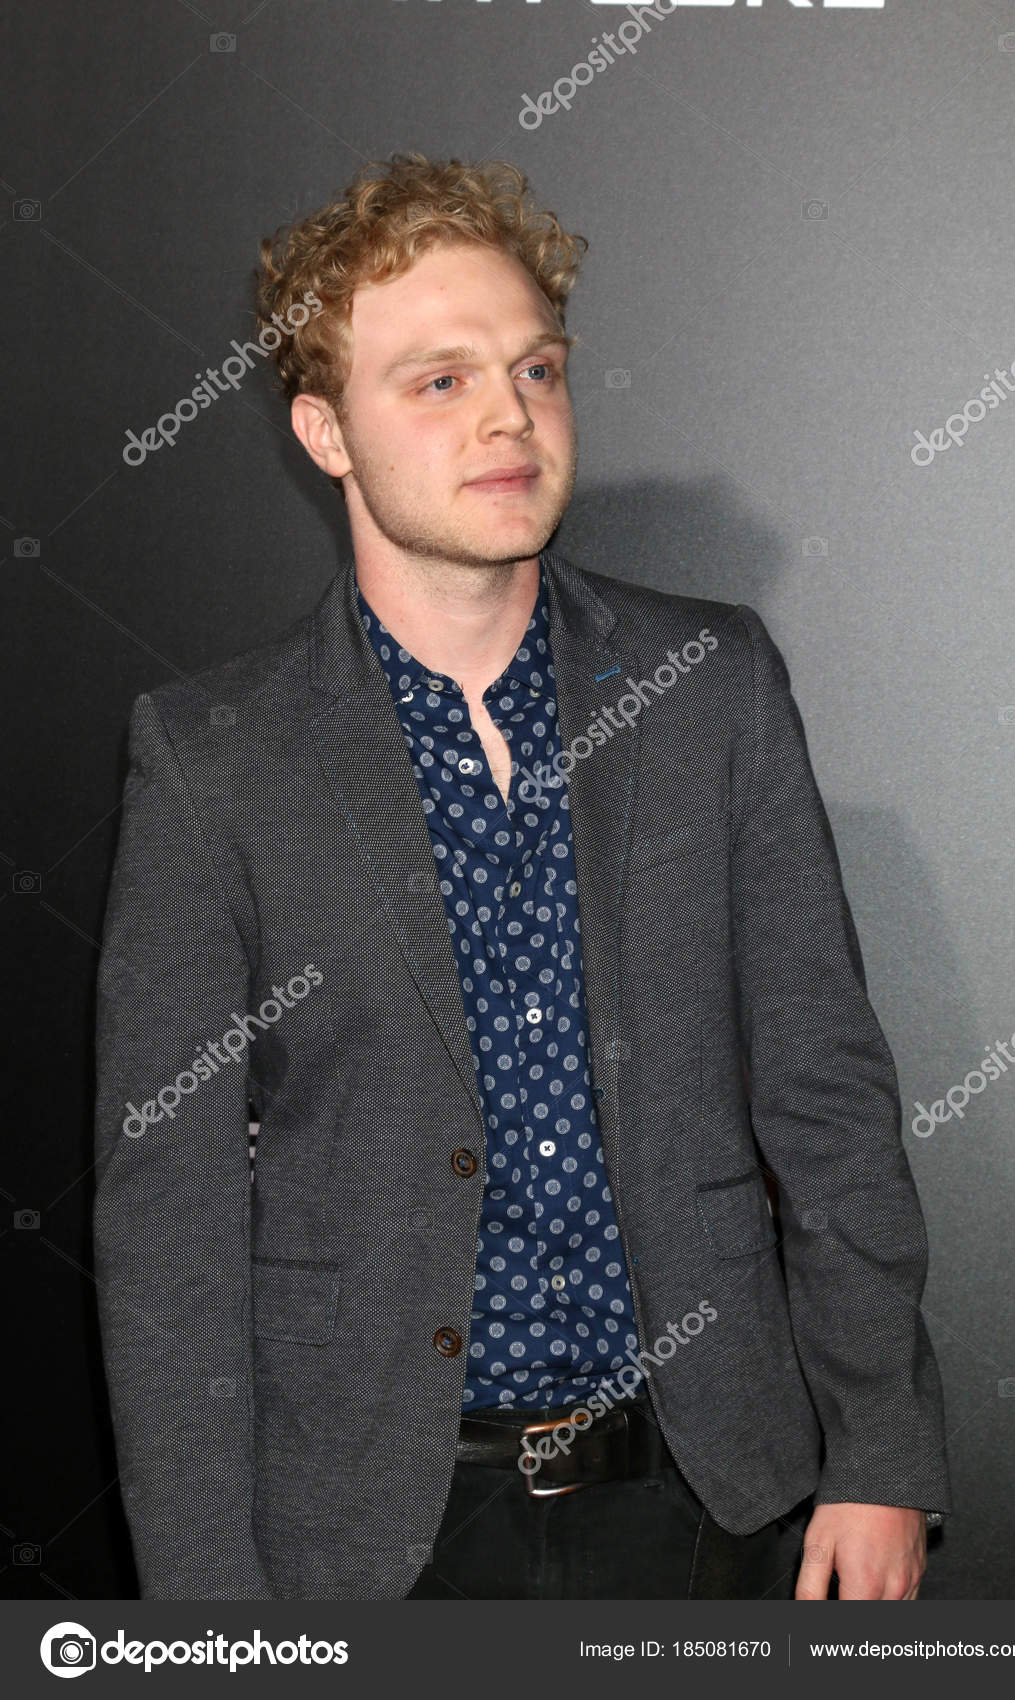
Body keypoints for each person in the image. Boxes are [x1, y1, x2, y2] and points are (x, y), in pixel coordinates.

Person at [93, 153, 950, 1602]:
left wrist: (881, 1455)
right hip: (371, 1536)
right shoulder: (212, 759)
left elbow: (826, 1093)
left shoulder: (707, 684)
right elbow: (167, 1226)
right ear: (326, 431)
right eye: (437, 382)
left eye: (534, 369)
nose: (508, 414)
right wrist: (208, 1617)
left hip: (714, 1504)